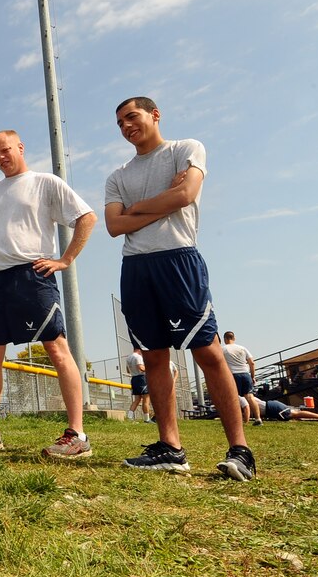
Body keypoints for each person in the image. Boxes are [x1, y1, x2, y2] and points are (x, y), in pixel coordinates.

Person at [104, 97, 255, 480]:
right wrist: (161, 203)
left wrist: (136, 209)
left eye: (132, 117)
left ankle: (240, 450)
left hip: (178, 260)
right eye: (120, 122)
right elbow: (113, 226)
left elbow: (185, 195)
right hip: (136, 268)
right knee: (154, 358)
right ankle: (171, 448)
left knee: (208, 352)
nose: (126, 126)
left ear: (155, 115)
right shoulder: (118, 175)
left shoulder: (186, 149)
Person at [0, 129, 97, 458]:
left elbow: (87, 217)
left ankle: (78, 434)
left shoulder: (45, 182)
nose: (1, 158)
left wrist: (65, 259)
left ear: (20, 147)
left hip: (33, 274)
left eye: (6, 150)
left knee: (56, 348)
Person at [222, 331, 262, 425]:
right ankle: (258, 419)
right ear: (234, 338)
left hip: (233, 375)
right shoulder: (242, 348)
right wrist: (252, 376)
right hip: (245, 374)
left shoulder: (223, 349)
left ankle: (235, 421)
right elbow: (252, 363)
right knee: (250, 397)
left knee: (233, 398)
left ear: (225, 339)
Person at [240, 395, 318, 423]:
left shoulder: (239, 397)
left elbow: (247, 408)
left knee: (295, 414)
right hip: (271, 407)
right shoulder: (243, 394)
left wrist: (245, 422)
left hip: (271, 408)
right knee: (295, 414)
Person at [125, 347, 150, 422]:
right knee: (146, 398)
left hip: (134, 379)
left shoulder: (128, 358)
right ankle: (147, 419)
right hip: (141, 379)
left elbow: (128, 371)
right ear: (139, 349)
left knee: (137, 399)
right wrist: (150, 368)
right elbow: (141, 367)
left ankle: (129, 417)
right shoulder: (138, 357)